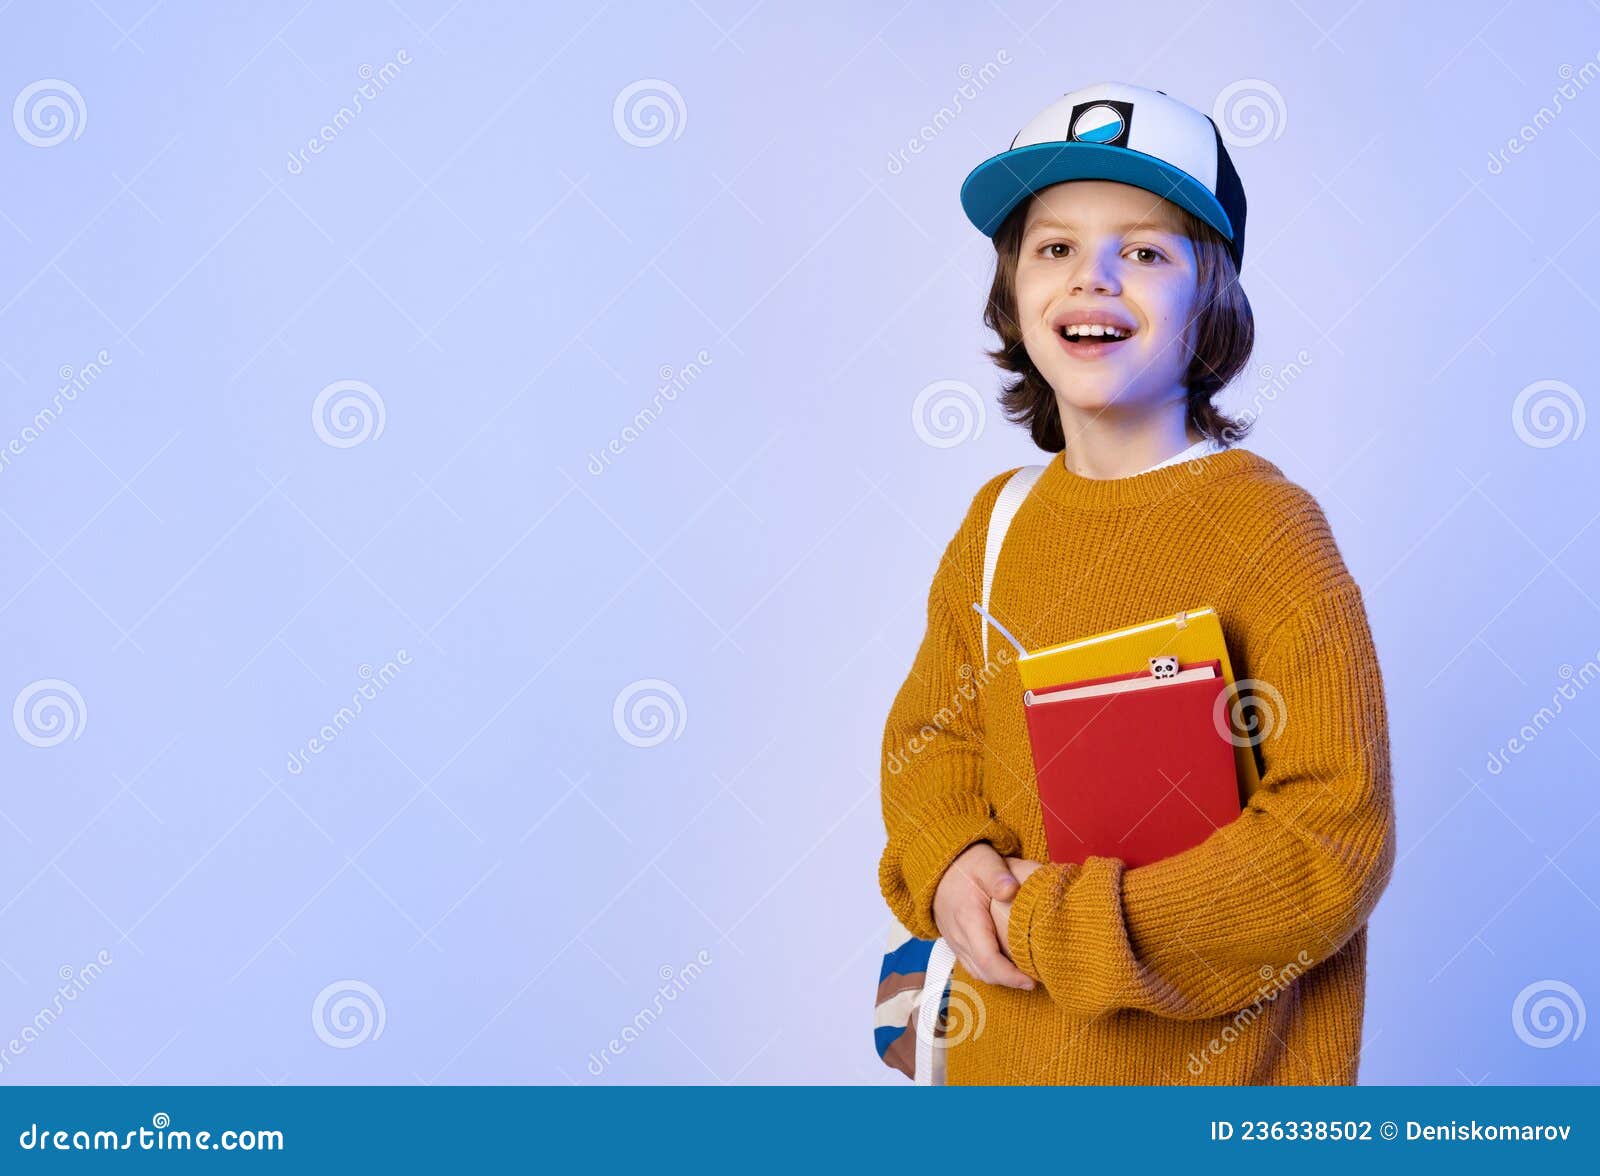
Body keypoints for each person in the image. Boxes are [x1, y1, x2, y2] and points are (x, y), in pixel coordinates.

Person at [877, 82, 1396, 1085]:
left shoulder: (1267, 532)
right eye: (1054, 247)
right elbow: (933, 740)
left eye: (1146, 253)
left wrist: (1064, 923)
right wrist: (948, 859)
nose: (1093, 277)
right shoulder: (997, 522)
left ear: (1211, 298)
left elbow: (1330, 840)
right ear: (1011, 291)